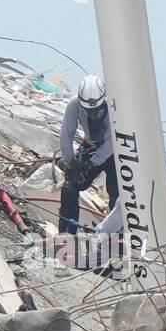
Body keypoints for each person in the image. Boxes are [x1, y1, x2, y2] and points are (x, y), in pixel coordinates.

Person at [57, 75, 119, 235]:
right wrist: (71, 161)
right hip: (91, 147)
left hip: (113, 153)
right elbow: (66, 134)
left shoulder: (114, 108)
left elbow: (112, 142)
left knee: (118, 195)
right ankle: (67, 236)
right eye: (88, 110)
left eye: (96, 110)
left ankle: (114, 239)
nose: (92, 114)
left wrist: (92, 163)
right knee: (70, 187)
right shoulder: (74, 105)